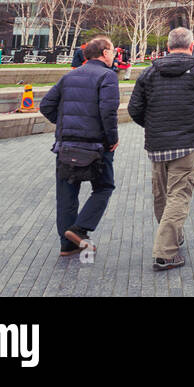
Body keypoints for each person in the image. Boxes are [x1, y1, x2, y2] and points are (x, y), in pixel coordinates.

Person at [127, 27, 194, 272]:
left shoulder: (149, 72)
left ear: (167, 47)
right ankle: (165, 253)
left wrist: (156, 125)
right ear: (190, 47)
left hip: (158, 145)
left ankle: (172, 237)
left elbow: (134, 109)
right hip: (188, 144)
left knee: (162, 194)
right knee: (178, 196)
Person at [40, 35, 120, 256]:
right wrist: (112, 140)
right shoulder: (108, 76)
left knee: (66, 193)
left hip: (66, 146)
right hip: (96, 147)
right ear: (104, 53)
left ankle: (67, 245)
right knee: (104, 188)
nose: (114, 54)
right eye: (112, 50)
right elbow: (108, 113)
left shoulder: (69, 76)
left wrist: (67, 125)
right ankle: (79, 229)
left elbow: (46, 105)